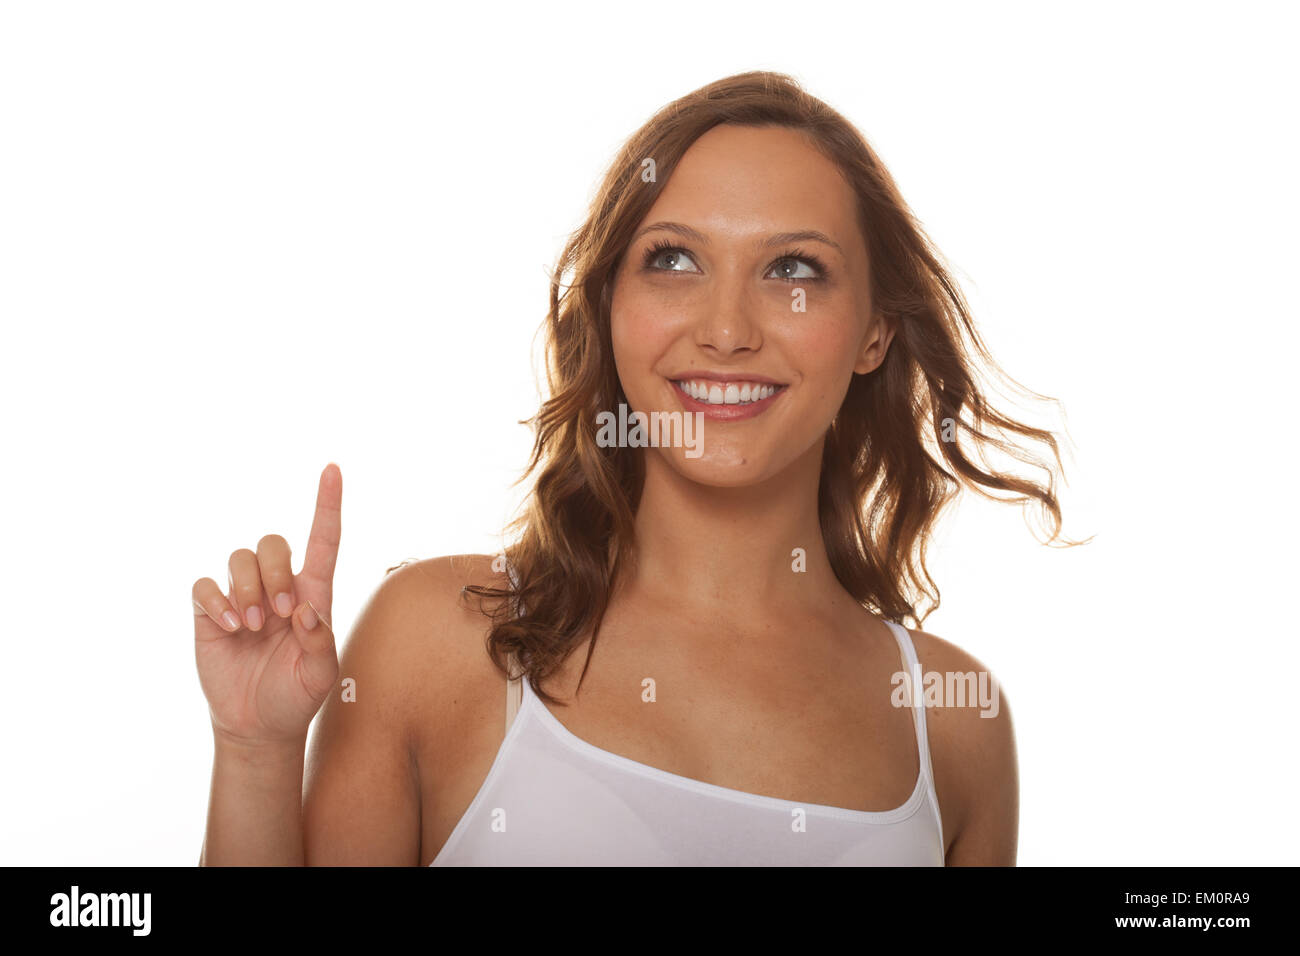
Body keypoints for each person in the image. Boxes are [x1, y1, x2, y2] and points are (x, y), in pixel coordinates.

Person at [193, 71, 1075, 866]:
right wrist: (253, 754)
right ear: (612, 306)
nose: (727, 330)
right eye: (675, 260)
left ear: (874, 332)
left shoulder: (956, 728)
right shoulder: (433, 644)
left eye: (793, 269)